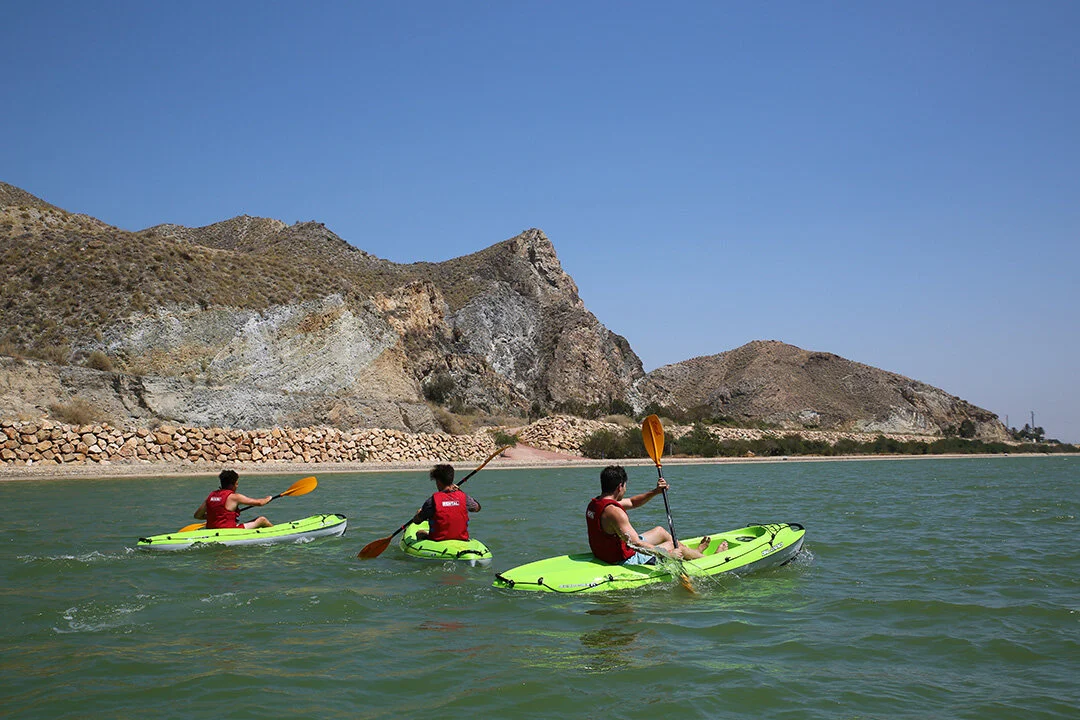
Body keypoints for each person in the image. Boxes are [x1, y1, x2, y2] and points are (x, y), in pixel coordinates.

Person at [585, 465, 724, 565]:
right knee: (676, 547)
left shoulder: (596, 503)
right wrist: (668, 554)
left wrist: (656, 491)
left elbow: (633, 502)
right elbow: (635, 543)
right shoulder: (615, 512)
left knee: (660, 531)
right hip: (623, 558)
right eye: (625, 486)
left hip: (609, 550)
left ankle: (694, 552)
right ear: (620, 487)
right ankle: (708, 561)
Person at [411, 464, 481, 541]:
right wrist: (459, 491)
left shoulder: (432, 501)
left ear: (438, 481)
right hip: (461, 538)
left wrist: (418, 513)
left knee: (420, 533)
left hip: (438, 539)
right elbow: (477, 508)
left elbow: (417, 521)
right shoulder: (464, 497)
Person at [193, 469, 273, 529]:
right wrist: (268, 498)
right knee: (262, 520)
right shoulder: (234, 497)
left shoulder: (211, 496)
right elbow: (259, 503)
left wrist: (216, 517)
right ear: (233, 485)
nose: (237, 486)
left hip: (212, 529)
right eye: (237, 483)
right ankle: (275, 533)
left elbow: (197, 516)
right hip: (229, 531)